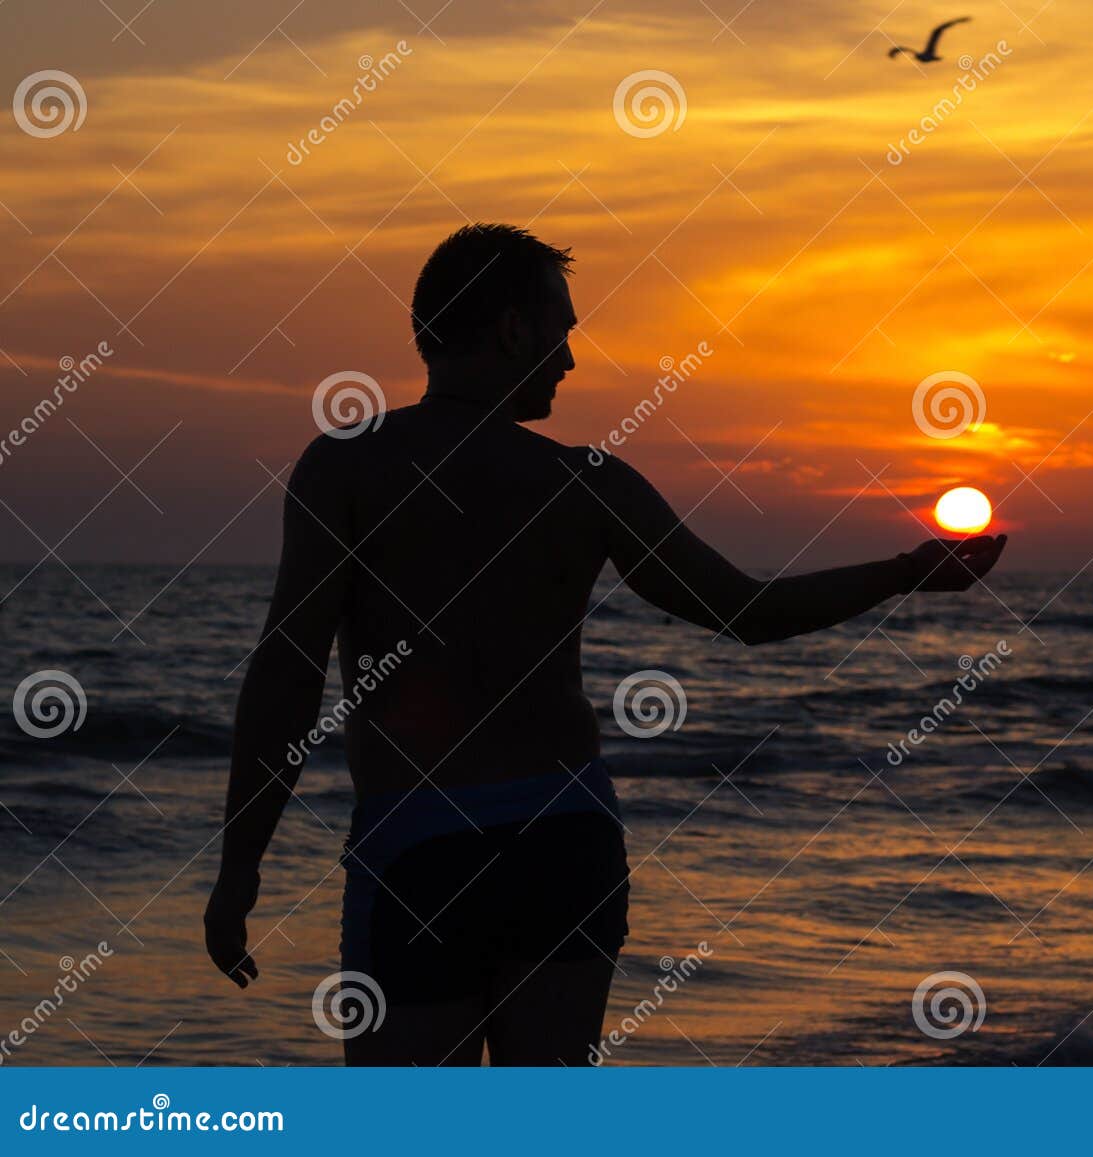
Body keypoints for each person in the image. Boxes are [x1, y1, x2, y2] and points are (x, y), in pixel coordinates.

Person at [203, 223, 1009, 1065]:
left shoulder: (348, 467)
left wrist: (240, 869)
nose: (569, 360)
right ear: (514, 329)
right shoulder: (587, 484)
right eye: (562, 332)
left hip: (422, 844)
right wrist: (906, 571)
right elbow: (746, 610)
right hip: (565, 837)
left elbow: (287, 672)